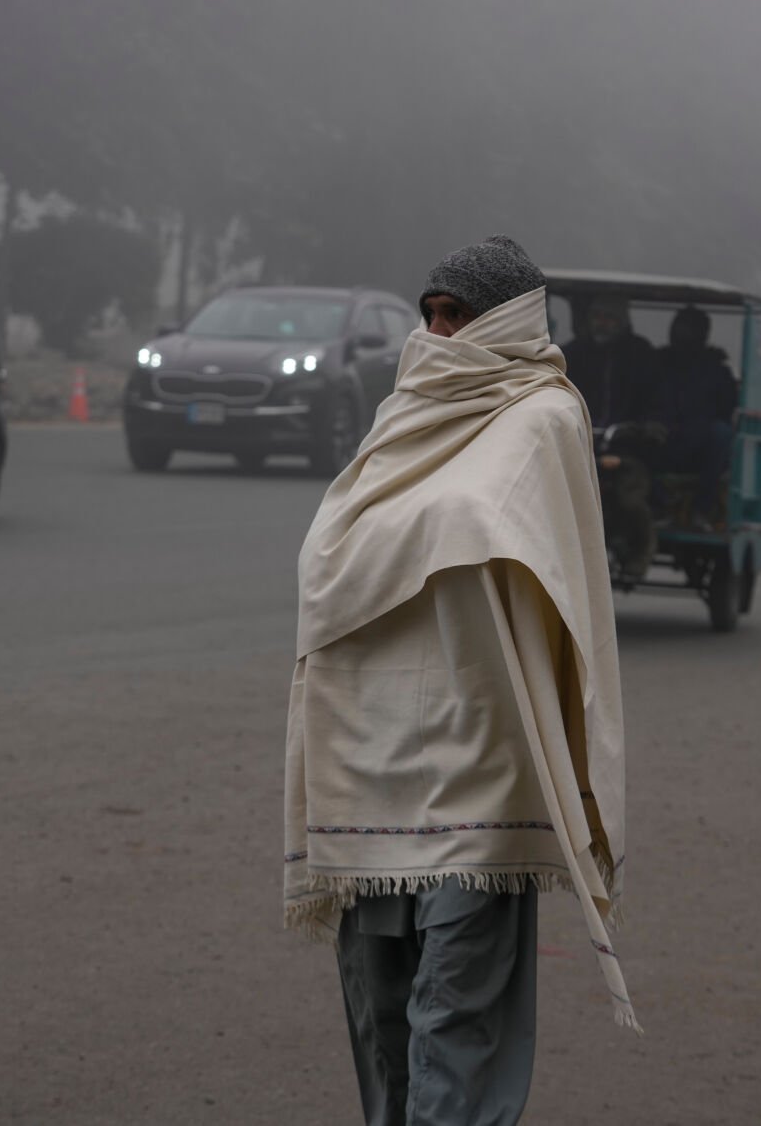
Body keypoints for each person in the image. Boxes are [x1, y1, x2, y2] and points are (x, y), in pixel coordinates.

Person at [285, 235, 637, 1125]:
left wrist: (395, 547)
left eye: (460, 316)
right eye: (431, 315)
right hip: (369, 758)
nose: (439, 336)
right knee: (382, 1011)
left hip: (482, 761)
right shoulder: (400, 418)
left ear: (510, 321)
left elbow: (499, 534)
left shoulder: (543, 416)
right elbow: (326, 560)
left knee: (456, 1009)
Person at [564, 296, 660, 577]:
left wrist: (648, 426)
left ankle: (640, 555)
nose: (602, 323)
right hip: (579, 444)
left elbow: (655, 400)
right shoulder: (573, 353)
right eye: (597, 316)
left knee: (629, 499)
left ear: (622, 321)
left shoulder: (641, 354)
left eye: (609, 317)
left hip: (629, 447)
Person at [656, 305, 738, 529]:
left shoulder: (716, 369)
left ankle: (702, 509)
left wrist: (696, 426)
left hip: (700, 441)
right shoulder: (657, 362)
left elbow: (726, 406)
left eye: (689, 330)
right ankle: (655, 506)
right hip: (660, 436)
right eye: (679, 329)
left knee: (721, 435)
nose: (683, 335)